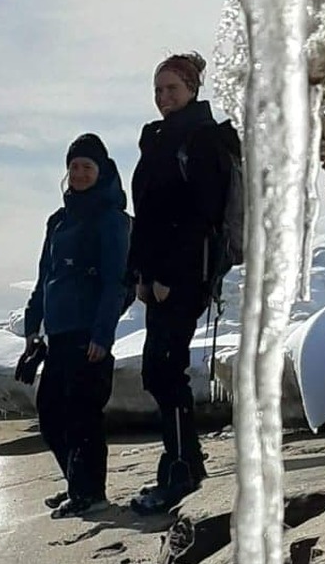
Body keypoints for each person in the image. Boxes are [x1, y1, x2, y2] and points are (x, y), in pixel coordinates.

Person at [127, 50, 241, 514]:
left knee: (162, 368)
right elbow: (148, 216)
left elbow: (199, 215)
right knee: (162, 368)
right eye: (158, 90)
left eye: (172, 88)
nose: (163, 97)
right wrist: (139, 274)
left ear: (193, 89)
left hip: (186, 273)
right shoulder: (158, 140)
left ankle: (179, 471)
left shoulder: (200, 138)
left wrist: (170, 276)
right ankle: (186, 463)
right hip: (159, 276)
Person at [21, 133, 131, 519]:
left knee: (84, 415)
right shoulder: (58, 221)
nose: (79, 173)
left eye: (87, 166)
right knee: (51, 414)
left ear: (100, 172)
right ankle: (77, 485)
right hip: (59, 333)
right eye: (73, 167)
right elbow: (44, 277)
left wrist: (103, 334)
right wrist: (32, 324)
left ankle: (90, 493)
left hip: (89, 333)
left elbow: (115, 281)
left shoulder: (111, 220)